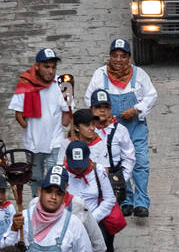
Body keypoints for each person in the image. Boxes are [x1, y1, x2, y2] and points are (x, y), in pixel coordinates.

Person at [84, 39, 157, 219]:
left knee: (140, 163)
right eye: (115, 56)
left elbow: (152, 95)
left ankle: (141, 203)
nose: (118, 60)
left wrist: (136, 109)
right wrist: (102, 117)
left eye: (123, 56)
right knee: (117, 164)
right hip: (111, 130)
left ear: (129, 58)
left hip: (135, 127)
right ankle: (126, 200)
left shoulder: (139, 75)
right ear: (109, 56)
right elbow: (88, 98)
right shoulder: (100, 75)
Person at [9, 46, 74, 191]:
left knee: (55, 179)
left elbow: (66, 116)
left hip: (55, 142)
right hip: (33, 144)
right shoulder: (25, 84)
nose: (50, 71)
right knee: (35, 179)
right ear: (37, 66)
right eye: (46, 67)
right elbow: (18, 115)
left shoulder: (63, 85)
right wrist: (31, 128)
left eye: (53, 67)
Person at [89, 88, 136, 219]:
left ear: (111, 109)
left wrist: (122, 178)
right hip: (90, 179)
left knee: (110, 220)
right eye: (98, 107)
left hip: (113, 180)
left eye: (106, 107)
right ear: (91, 109)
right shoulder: (87, 129)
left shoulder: (120, 131)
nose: (102, 110)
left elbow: (129, 157)